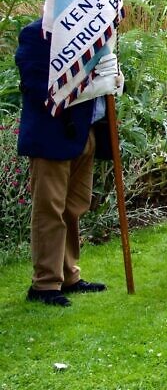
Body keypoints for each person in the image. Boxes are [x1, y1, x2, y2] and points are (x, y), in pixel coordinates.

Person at [16, 18, 121, 306]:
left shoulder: (93, 33)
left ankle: (68, 274)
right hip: (52, 135)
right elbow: (37, 87)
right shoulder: (35, 35)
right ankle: (45, 283)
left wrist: (113, 80)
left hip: (85, 132)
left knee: (74, 207)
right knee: (50, 209)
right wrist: (90, 84)